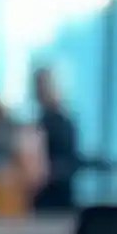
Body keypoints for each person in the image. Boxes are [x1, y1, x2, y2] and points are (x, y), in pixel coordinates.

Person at [32, 68, 79, 210]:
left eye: (43, 85)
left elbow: (70, 161)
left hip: (58, 198)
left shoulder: (63, 123)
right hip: (40, 198)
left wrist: (47, 171)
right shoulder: (40, 122)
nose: (40, 91)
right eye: (38, 86)